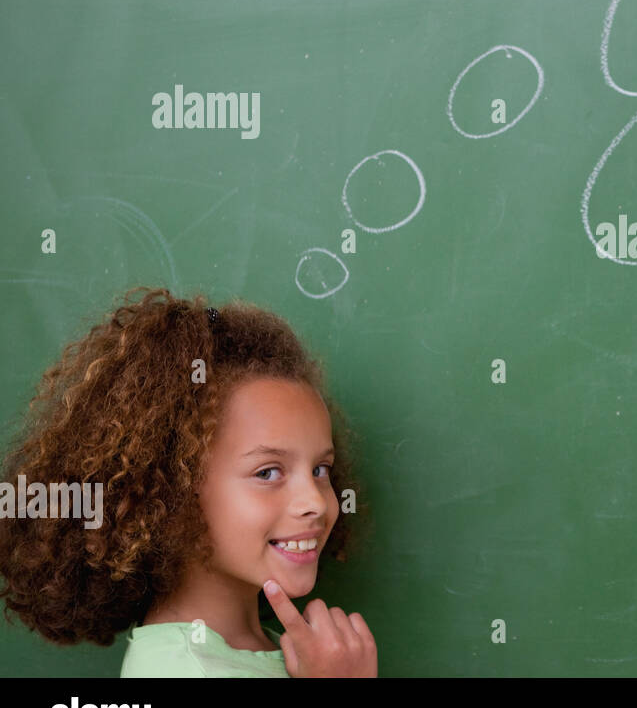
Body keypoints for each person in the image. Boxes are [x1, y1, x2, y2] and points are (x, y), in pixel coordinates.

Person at [0, 286, 376, 676]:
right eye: (268, 472)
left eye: (320, 470)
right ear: (171, 490)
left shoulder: (274, 651)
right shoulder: (180, 670)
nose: (314, 500)